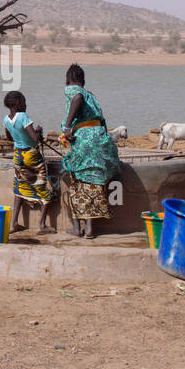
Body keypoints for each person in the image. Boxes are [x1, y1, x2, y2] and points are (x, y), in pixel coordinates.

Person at [59, 64, 121, 238]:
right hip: (100, 139)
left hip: (84, 140)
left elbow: (76, 98)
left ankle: (78, 228)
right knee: (94, 181)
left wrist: (68, 127)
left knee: (77, 180)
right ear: (84, 80)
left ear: (67, 80)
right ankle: (89, 228)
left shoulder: (73, 90)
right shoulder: (91, 96)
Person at [3, 91, 58, 233]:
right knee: (44, 187)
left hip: (18, 156)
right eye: (24, 101)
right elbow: (34, 138)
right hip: (31, 155)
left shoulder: (6, 119)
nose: (25, 104)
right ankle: (42, 225)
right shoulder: (23, 117)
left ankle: (14, 223)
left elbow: (10, 138)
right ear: (17, 103)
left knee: (20, 186)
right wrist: (39, 131)